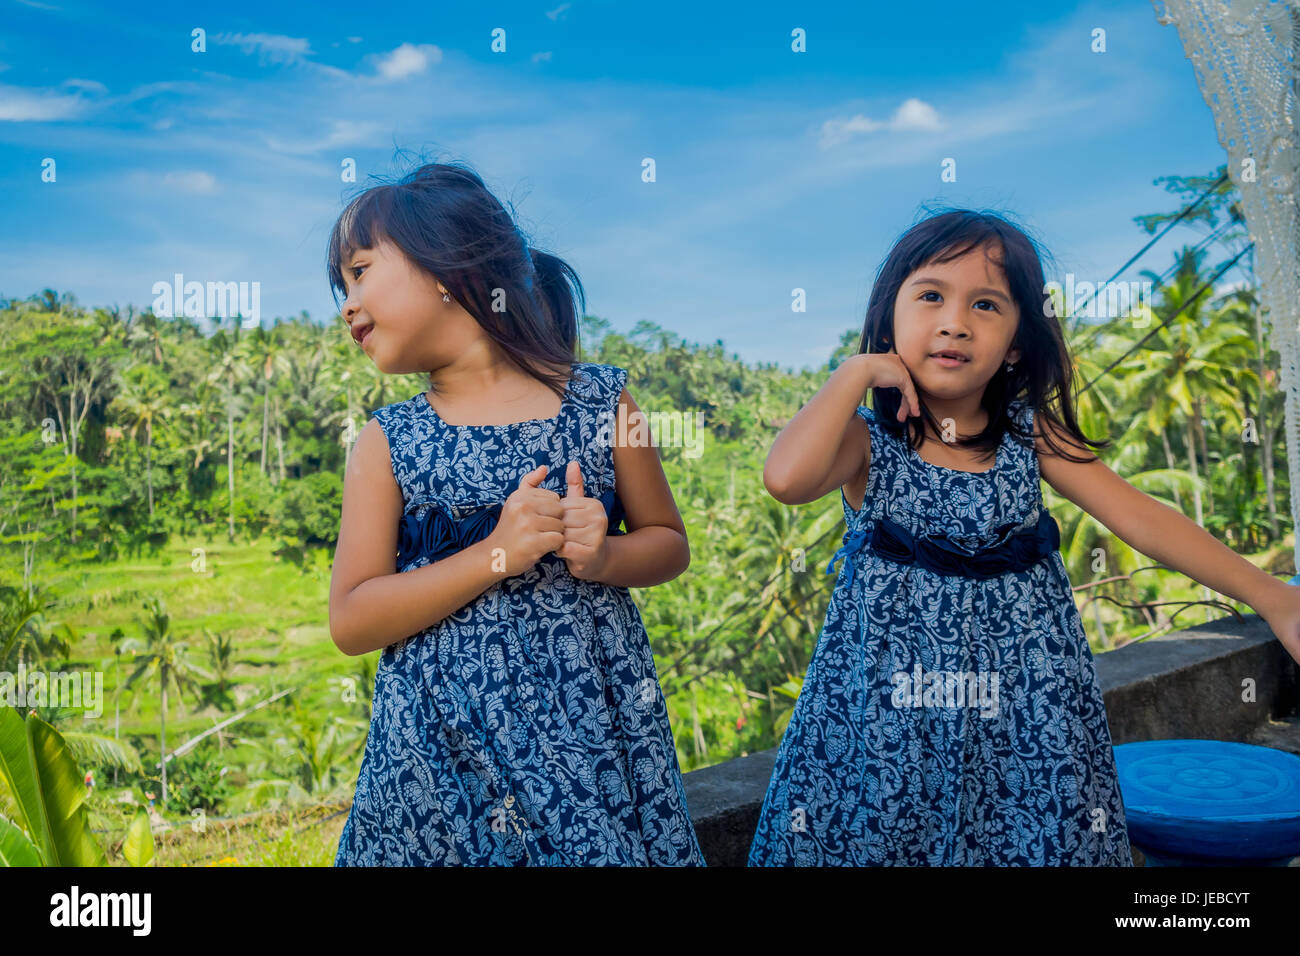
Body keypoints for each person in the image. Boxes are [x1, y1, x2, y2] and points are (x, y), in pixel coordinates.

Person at [748, 208, 1300, 865]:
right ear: (889, 316)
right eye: (930, 296)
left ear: (1014, 342)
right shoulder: (868, 441)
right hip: (886, 723)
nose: (954, 321)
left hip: (1026, 720)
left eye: (986, 304)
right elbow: (784, 477)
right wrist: (853, 374)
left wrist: (1274, 596)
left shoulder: (1028, 433)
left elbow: (1141, 519)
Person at [327, 160, 704, 866]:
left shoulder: (601, 402)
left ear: (446, 265)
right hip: (439, 764)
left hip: (588, 745)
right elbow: (351, 618)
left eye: (361, 271)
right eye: (341, 285)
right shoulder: (385, 443)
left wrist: (607, 555)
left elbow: (669, 543)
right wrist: (495, 552)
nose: (346, 303)